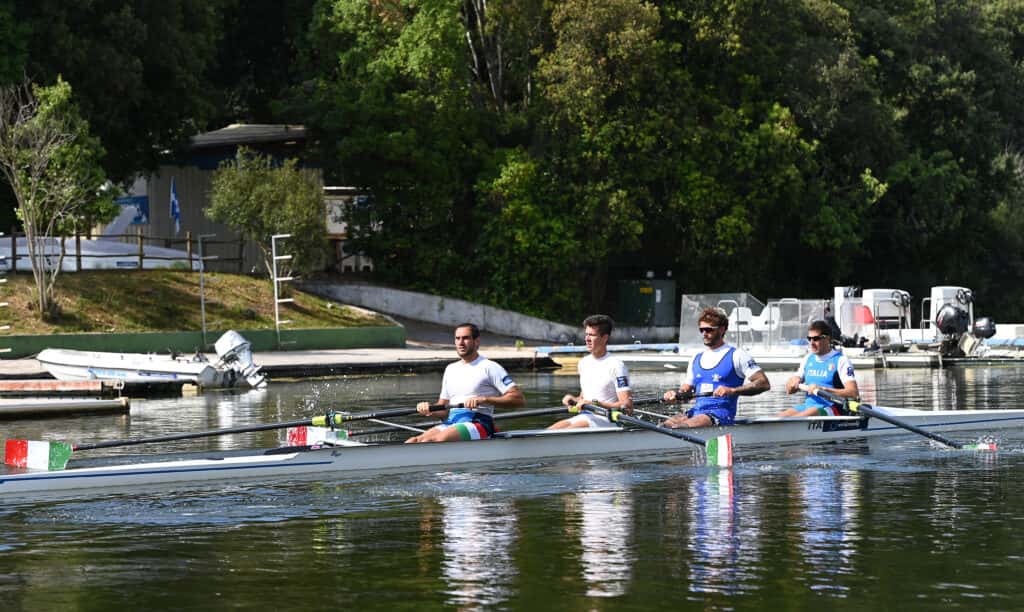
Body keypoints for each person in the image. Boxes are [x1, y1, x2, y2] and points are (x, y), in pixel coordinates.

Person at [405, 323, 525, 443]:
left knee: (437, 440)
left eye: (465, 338)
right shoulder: (450, 369)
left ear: (476, 341)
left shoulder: (490, 367)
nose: (460, 343)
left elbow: (518, 399)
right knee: (414, 441)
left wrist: (484, 400)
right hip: (452, 421)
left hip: (479, 423)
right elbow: (444, 410)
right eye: (457, 338)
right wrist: (429, 409)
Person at [662, 307, 770, 428]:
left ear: (722, 329)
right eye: (701, 330)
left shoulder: (738, 355)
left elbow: (763, 383)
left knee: (680, 427)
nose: (704, 333)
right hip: (696, 412)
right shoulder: (695, 358)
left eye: (709, 330)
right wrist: (675, 395)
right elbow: (686, 391)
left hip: (720, 415)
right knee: (664, 426)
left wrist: (732, 391)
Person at [548, 314, 633, 429]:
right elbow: (584, 399)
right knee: (548, 431)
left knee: (566, 432)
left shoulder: (617, 366)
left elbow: (627, 406)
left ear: (605, 338)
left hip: (607, 420)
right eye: (586, 334)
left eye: (592, 335)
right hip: (585, 416)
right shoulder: (584, 363)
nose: (587, 339)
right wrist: (574, 400)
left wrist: (596, 403)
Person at [778, 320, 859, 417]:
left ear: (827, 338)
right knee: (779, 417)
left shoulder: (841, 360)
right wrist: (792, 382)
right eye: (809, 339)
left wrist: (824, 389)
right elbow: (789, 391)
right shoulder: (808, 358)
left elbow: (853, 393)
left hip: (834, 408)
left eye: (816, 339)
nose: (811, 343)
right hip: (809, 407)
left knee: (802, 417)